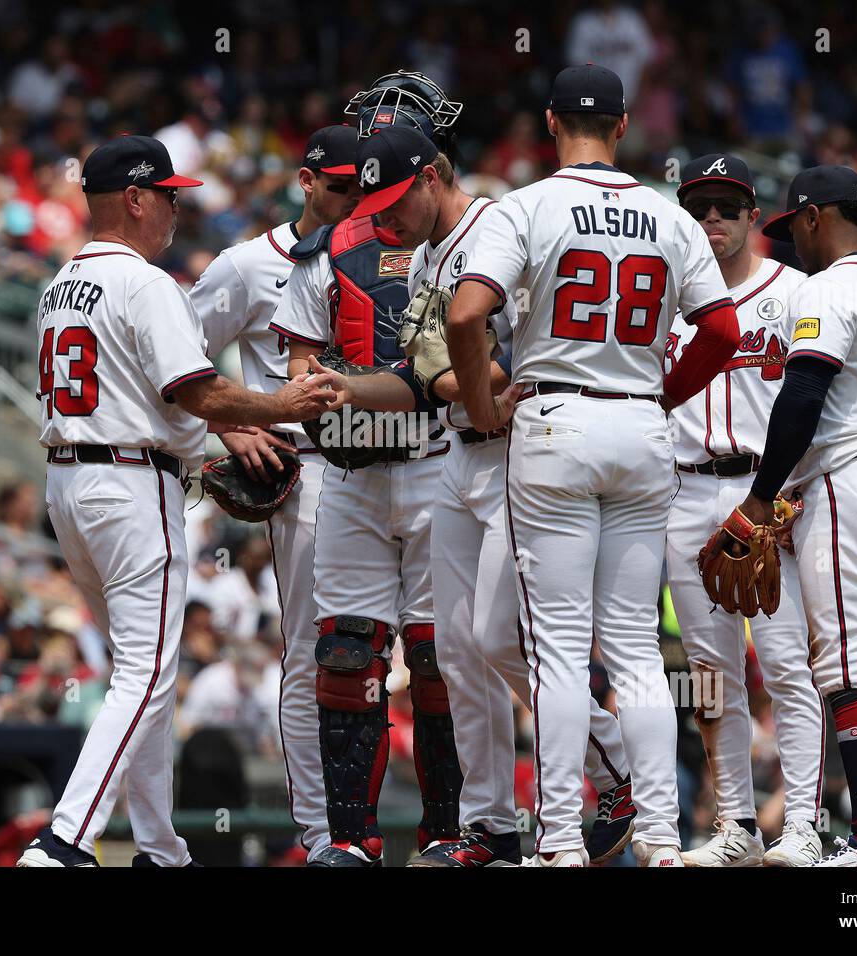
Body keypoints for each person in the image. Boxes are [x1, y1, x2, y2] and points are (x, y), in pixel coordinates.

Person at [312, 124, 636, 868]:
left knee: (499, 641)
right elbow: (429, 385)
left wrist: (464, 387)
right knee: (454, 651)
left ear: (431, 176)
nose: (385, 221)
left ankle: (616, 769)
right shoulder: (428, 252)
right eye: (375, 207)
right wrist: (344, 389)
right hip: (460, 450)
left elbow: (503, 371)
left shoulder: (503, 226)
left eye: (396, 201)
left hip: (518, 457)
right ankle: (488, 825)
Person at [446, 64, 740, 866]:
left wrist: (478, 404)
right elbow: (722, 330)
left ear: (551, 124)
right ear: (619, 126)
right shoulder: (667, 216)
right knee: (638, 649)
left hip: (555, 420)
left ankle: (562, 844)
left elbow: (468, 311)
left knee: (561, 650)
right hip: (640, 426)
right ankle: (660, 836)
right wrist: (661, 394)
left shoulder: (524, 205)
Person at [16, 134, 335, 868]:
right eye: (167, 195)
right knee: (148, 673)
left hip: (71, 482)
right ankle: (65, 839)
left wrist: (218, 433)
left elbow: (165, 396)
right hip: (130, 485)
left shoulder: (60, 281)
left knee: (141, 673)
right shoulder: (146, 282)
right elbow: (197, 389)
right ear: (133, 198)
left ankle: (161, 849)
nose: (176, 208)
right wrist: (275, 405)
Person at [269, 71, 469, 867]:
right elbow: (299, 366)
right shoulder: (324, 254)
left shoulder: (466, 241)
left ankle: (448, 833)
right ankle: (349, 840)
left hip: (435, 463)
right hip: (350, 473)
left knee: (435, 657)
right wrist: (306, 403)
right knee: (346, 655)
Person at [731, 164, 857, 866]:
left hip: (849, 486)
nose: (792, 243)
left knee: (846, 672)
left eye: (794, 227)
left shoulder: (829, 286)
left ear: (814, 217)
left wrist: (761, 495)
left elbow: (802, 395)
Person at [187, 126, 357, 858]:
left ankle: (379, 823)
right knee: (315, 650)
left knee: (389, 651)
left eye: (365, 185)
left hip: (399, 465)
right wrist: (229, 429)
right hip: (311, 467)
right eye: (343, 184)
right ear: (307, 181)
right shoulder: (248, 264)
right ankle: (321, 831)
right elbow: (177, 359)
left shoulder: (390, 252)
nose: (356, 198)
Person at [662, 154, 824, 867]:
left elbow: (821, 402)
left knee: (789, 666)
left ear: (754, 215)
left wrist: (788, 495)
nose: (713, 220)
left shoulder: (793, 291)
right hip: (685, 487)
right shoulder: (663, 301)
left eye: (728, 207)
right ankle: (736, 826)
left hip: (768, 491)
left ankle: (806, 825)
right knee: (709, 675)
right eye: (700, 207)